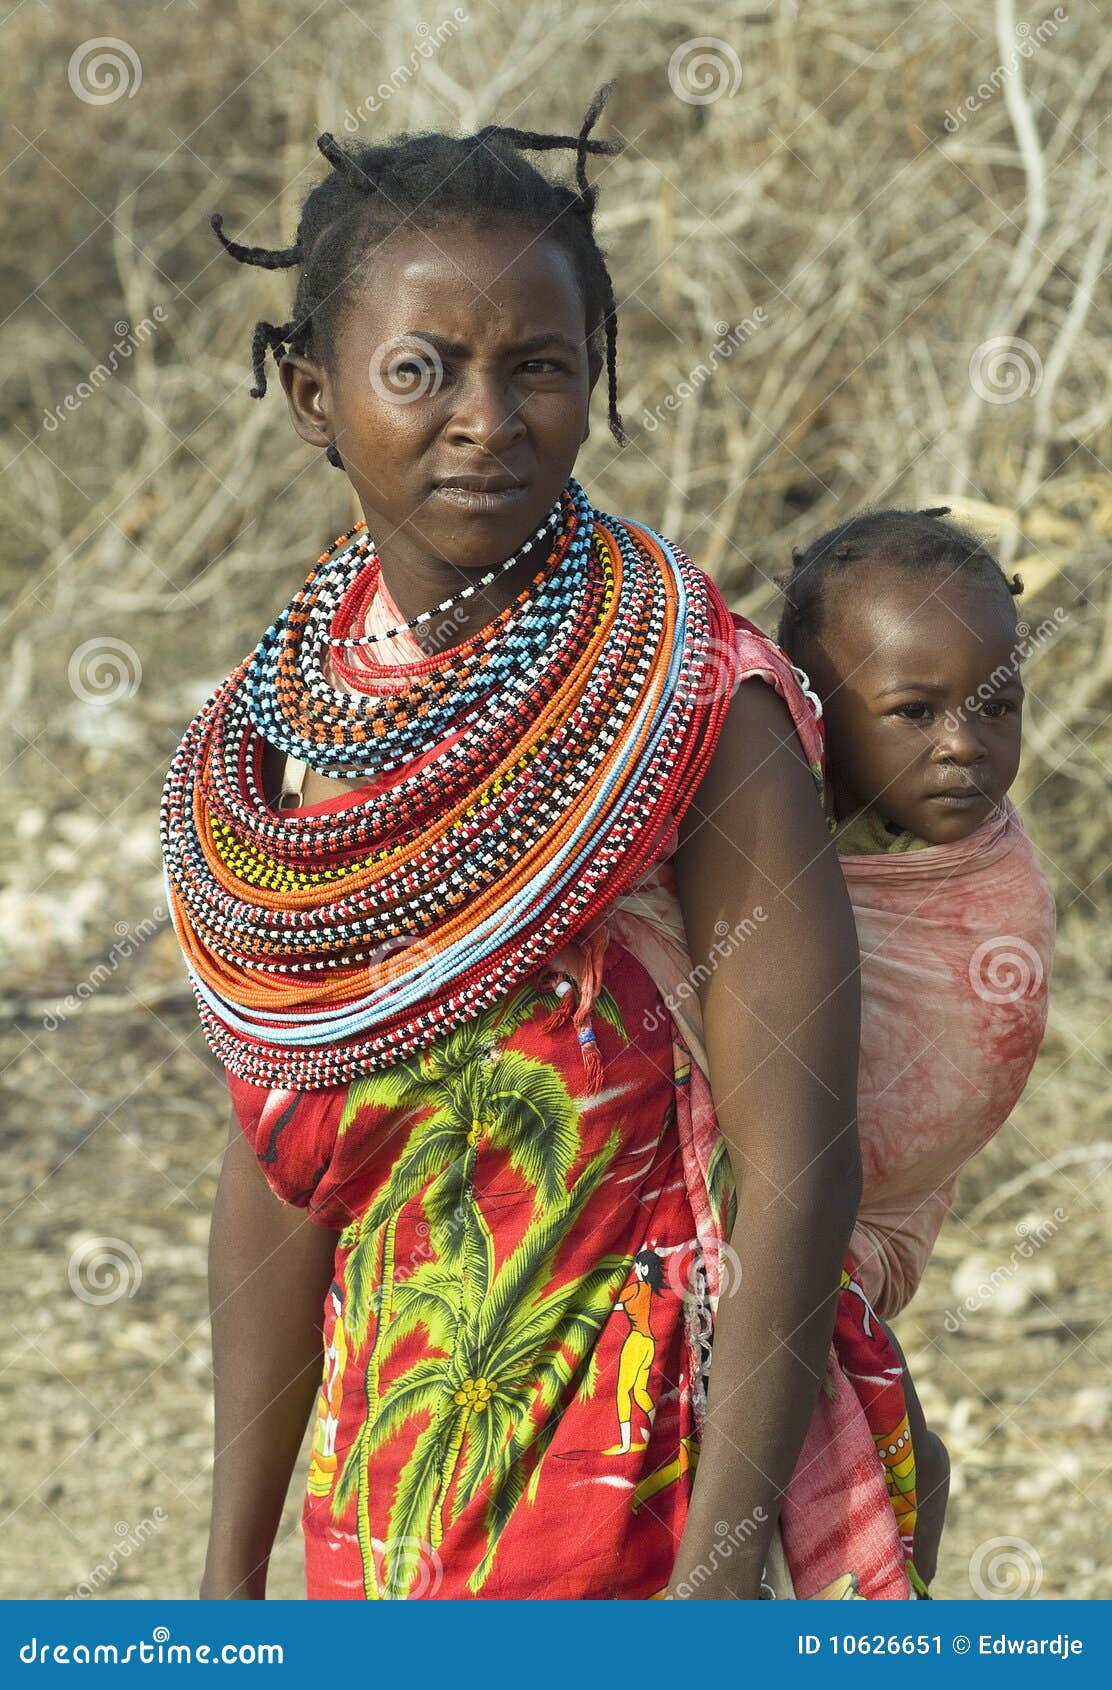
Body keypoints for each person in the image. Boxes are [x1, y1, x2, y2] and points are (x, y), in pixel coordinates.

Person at [162, 89, 924, 1601]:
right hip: (391, 1474)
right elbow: (281, 1154)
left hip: (647, 1471)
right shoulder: (315, 721)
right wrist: (222, 1567)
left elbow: (797, 1167)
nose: (487, 418)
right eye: (420, 369)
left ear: (597, 382)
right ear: (317, 397)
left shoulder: (693, 701)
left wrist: (713, 1589)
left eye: (542, 368)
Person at [774, 507, 1058, 1583]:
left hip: (875, 1234)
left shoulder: (978, 860)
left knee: (907, 1473)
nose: (962, 743)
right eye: (912, 711)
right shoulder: (764, 848)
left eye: (996, 707)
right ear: (813, 708)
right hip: (754, 1234)